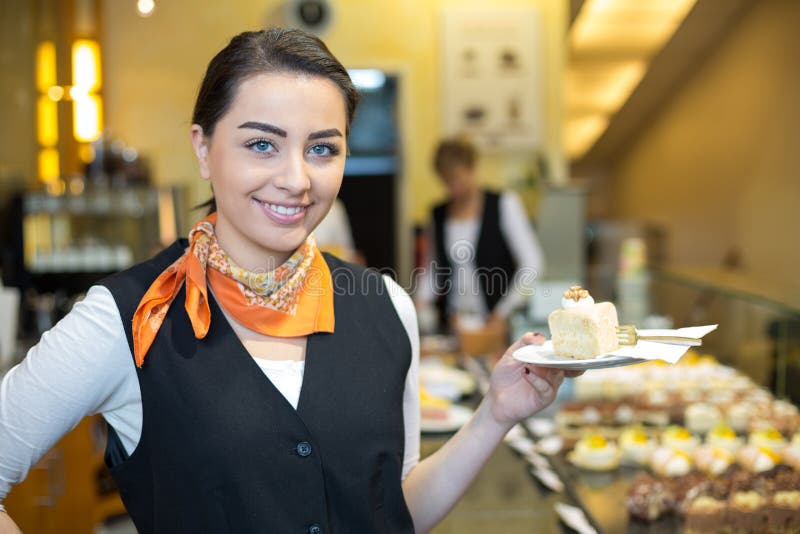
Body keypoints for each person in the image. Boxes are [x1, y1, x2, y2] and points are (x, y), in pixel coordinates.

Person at [0, 28, 572, 534]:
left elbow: (394, 510)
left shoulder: (385, 307)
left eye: (322, 148)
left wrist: (495, 414)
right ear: (203, 148)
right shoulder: (125, 317)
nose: (296, 179)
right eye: (262, 144)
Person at [416, 137, 546, 332]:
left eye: (458, 179)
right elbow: (433, 269)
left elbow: (533, 263)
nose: (454, 188)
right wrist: (418, 303)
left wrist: (504, 310)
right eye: (446, 181)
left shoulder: (504, 204)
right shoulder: (438, 214)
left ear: (472, 168)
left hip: (497, 323)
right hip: (454, 322)